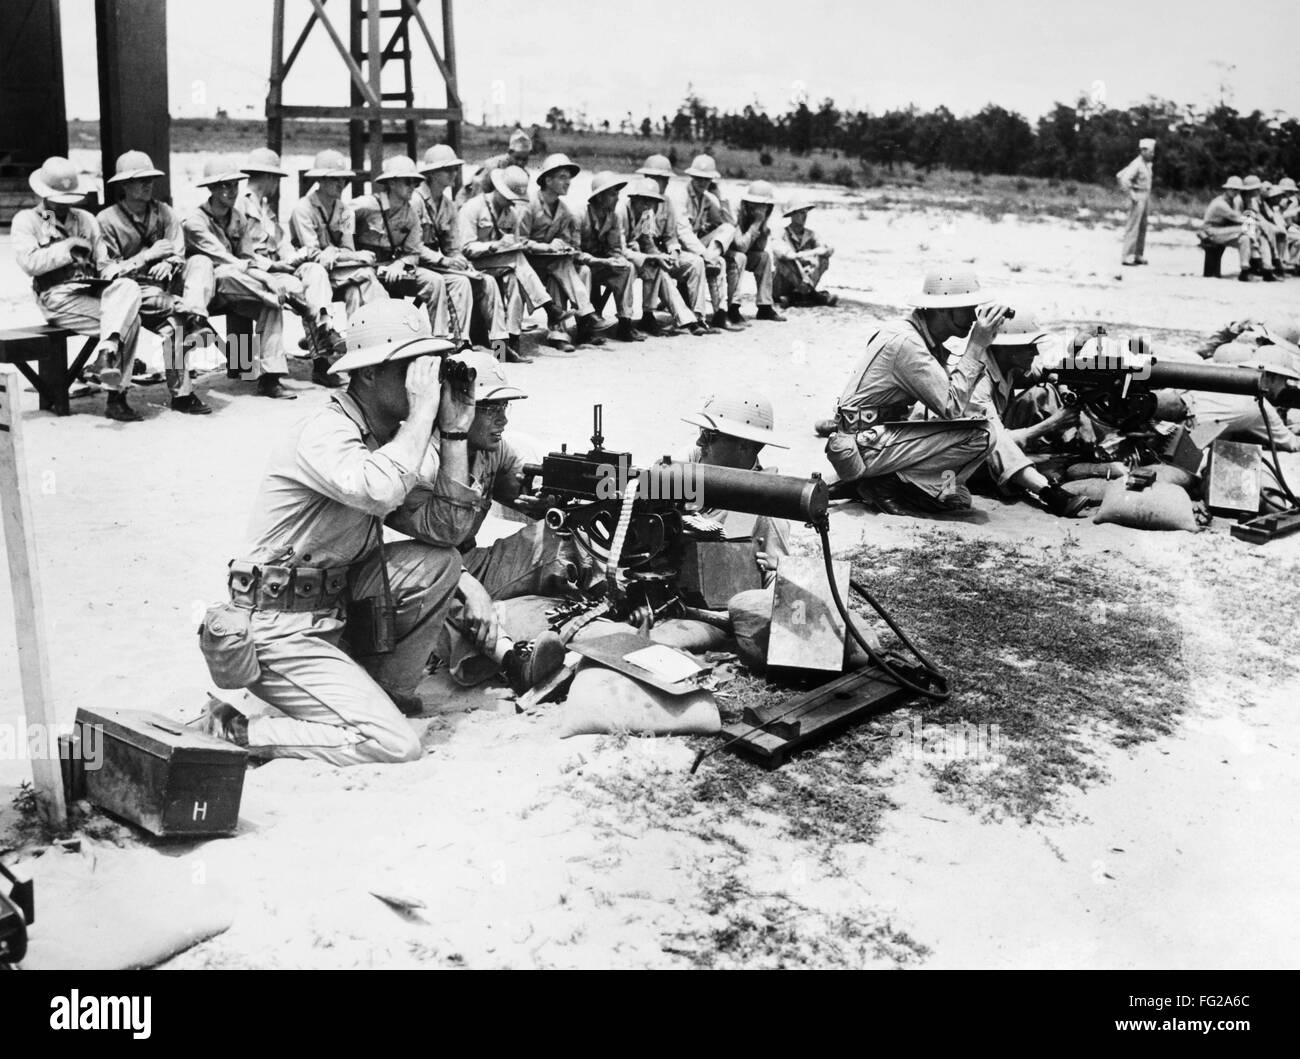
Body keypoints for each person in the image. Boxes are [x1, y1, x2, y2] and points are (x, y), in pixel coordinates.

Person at [198, 301, 466, 764]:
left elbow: (446, 530)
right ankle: (233, 731)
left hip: (334, 612)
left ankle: (376, 695)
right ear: (366, 376)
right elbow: (382, 490)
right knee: (395, 745)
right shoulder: (324, 431)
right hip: (279, 629)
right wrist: (424, 413)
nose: (426, 379)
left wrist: (457, 432)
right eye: (410, 366)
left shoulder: (386, 438)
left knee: (438, 564)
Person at [386, 348, 570, 692]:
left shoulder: (492, 447)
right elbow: (413, 552)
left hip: (468, 561)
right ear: (457, 406)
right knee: (455, 605)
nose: (503, 419)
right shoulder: (420, 458)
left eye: (504, 407)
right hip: (419, 575)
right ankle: (515, 660)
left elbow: (520, 490)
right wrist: (472, 590)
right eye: (490, 408)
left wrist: (545, 502)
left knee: (558, 537)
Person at [825, 271, 1080, 518]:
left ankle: (879, 482)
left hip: (878, 439)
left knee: (956, 497)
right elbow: (951, 407)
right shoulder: (907, 343)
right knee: (983, 433)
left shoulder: (922, 339)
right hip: (861, 448)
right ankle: (885, 483)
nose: (973, 316)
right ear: (942, 310)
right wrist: (977, 343)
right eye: (966, 308)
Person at [12, 156, 145, 421]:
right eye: (59, 199)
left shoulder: (84, 219)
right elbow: (30, 263)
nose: (65, 206)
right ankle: (116, 397)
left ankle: (106, 353)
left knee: (128, 287)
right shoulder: (34, 219)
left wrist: (114, 272)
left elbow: (102, 261)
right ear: (45, 195)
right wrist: (68, 247)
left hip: (89, 291)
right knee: (131, 322)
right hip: (57, 296)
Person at [97, 150, 213, 414]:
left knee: (202, 264)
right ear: (124, 185)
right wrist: (147, 257)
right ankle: (118, 399)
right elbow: (109, 272)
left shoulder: (163, 211)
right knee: (174, 325)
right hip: (134, 292)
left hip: (170, 286)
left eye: (150, 179)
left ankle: (198, 320)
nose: (148, 184)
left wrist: (169, 262)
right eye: (140, 180)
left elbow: (179, 250)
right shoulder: (107, 220)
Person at [183, 159, 298, 399]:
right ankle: (289, 299)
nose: (232, 191)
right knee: (231, 272)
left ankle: (270, 378)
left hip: (238, 285)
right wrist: (266, 280)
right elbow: (224, 258)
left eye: (234, 185)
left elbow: (247, 257)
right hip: (207, 290)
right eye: (224, 186)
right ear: (211, 189)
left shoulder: (239, 218)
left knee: (271, 305)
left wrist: (267, 279)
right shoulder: (196, 221)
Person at [237, 148, 348, 387]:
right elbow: (240, 252)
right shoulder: (240, 206)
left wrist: (293, 258)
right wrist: (275, 264)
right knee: (283, 294)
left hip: (279, 267)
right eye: (276, 178)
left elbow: (281, 242)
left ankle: (325, 331)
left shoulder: (265, 207)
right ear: (268, 177)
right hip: (256, 271)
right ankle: (273, 375)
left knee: (315, 273)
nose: (277, 183)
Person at [965, 314, 1090, 517]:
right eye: (1028, 347)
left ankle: (1077, 445)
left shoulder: (1004, 364)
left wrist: (1062, 375)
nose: (1035, 352)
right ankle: (1048, 492)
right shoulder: (977, 381)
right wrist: (1052, 424)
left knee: (1044, 392)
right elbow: (994, 439)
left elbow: (1039, 372)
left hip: (985, 441)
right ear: (1007, 349)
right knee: (992, 437)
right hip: (960, 457)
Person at [680, 390, 791, 580]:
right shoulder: (694, 459)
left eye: (709, 436)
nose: (700, 442)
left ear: (744, 445)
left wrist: (775, 572)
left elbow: (781, 590)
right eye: (702, 433)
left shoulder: (762, 507)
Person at [415, 144, 512, 357]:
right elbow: (412, 247)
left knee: (487, 281)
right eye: (447, 169)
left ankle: (501, 349)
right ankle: (459, 344)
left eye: (454, 169)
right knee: (461, 283)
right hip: (418, 263)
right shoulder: (416, 201)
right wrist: (445, 261)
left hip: (439, 263)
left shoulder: (448, 205)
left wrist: (459, 260)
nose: (453, 174)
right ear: (431, 173)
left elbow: (452, 246)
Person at [351, 155, 458, 345]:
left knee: (435, 281)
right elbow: (341, 215)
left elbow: (413, 251)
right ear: (391, 183)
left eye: (416, 183)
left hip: (394, 268)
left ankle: (440, 341)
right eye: (407, 182)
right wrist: (348, 250)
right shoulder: (368, 205)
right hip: (367, 267)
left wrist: (400, 264)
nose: (412, 188)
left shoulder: (411, 214)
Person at [457, 165, 554, 363]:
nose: (511, 202)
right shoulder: (473, 208)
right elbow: (465, 248)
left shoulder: (512, 213)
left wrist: (510, 245)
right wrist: (494, 246)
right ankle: (549, 307)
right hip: (472, 265)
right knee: (517, 261)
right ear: (498, 190)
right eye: (508, 197)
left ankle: (507, 346)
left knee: (515, 282)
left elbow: (516, 243)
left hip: (503, 265)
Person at [516, 153, 606, 351]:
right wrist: (545, 247)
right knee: (560, 266)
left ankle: (562, 334)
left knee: (582, 270)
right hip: (525, 266)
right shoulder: (529, 205)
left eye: (569, 178)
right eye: (563, 177)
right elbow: (518, 242)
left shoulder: (564, 210)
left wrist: (561, 244)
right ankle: (587, 313)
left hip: (550, 264)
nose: (568, 183)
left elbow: (567, 241)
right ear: (548, 180)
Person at [287, 149, 387, 317]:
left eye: (343, 178)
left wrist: (336, 252)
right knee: (365, 273)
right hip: (307, 269)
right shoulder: (303, 209)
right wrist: (352, 256)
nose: (341, 184)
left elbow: (348, 248)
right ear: (320, 180)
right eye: (334, 178)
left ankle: (360, 335)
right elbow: (312, 254)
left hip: (337, 269)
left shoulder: (345, 211)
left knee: (356, 291)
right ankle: (321, 333)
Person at [631, 153, 716, 335]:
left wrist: (674, 251)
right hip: (642, 255)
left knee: (695, 262)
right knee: (660, 269)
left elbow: (671, 235)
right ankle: (684, 319)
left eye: (664, 179)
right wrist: (657, 256)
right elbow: (638, 240)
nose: (662, 183)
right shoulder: (636, 202)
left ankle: (698, 315)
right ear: (647, 178)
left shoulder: (667, 202)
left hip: (661, 251)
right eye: (657, 178)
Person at [575, 171, 643, 342]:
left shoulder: (614, 217)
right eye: (613, 194)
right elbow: (573, 252)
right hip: (579, 266)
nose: (617, 198)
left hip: (600, 265)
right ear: (599, 197)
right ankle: (584, 328)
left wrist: (616, 259)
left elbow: (615, 247)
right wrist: (600, 261)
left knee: (627, 268)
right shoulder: (580, 215)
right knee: (585, 271)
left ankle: (625, 323)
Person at [682, 154, 742, 331]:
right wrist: (704, 253)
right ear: (692, 177)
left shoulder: (707, 199)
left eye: (706, 179)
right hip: (681, 247)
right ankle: (716, 316)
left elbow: (729, 224)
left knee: (722, 253)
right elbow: (682, 231)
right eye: (699, 178)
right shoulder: (682, 196)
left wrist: (720, 196)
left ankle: (720, 314)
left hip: (700, 249)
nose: (702, 182)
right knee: (715, 261)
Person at [727, 181, 785, 323]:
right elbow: (740, 246)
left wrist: (762, 224)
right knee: (740, 257)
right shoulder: (736, 213)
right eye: (756, 204)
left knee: (764, 258)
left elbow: (759, 248)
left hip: (743, 254)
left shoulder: (761, 217)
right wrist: (756, 224)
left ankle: (765, 307)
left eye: (764, 206)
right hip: (727, 254)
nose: (759, 208)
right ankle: (732, 307)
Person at [773, 196, 836, 306]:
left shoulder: (811, 234)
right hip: (783, 283)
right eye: (800, 213)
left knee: (823, 259)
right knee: (786, 261)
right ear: (792, 215)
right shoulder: (781, 233)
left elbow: (828, 249)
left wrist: (818, 253)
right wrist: (807, 254)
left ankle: (798, 296)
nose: (804, 215)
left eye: (805, 212)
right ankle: (812, 295)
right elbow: (783, 254)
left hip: (806, 279)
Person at [460, 128, 532, 204]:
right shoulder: (492, 166)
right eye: (517, 158)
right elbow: (476, 193)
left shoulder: (524, 174)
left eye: (524, 159)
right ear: (509, 153)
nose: (520, 163)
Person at [1117, 137, 1155, 266]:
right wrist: (1131, 194)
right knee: (1133, 227)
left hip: (1145, 196)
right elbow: (1124, 179)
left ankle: (1138, 255)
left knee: (1142, 227)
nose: (1152, 154)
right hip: (1138, 196)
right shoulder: (1137, 163)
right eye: (1150, 152)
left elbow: (1120, 174)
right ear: (1143, 151)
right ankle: (1127, 256)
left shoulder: (1147, 165)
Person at [1238, 175, 1281, 281]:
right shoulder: (1239, 200)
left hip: (1250, 226)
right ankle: (1245, 271)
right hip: (1239, 226)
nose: (1257, 191)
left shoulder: (1252, 200)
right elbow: (1238, 216)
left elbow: (1257, 216)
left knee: (1264, 239)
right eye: (1256, 189)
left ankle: (1268, 269)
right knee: (1250, 238)